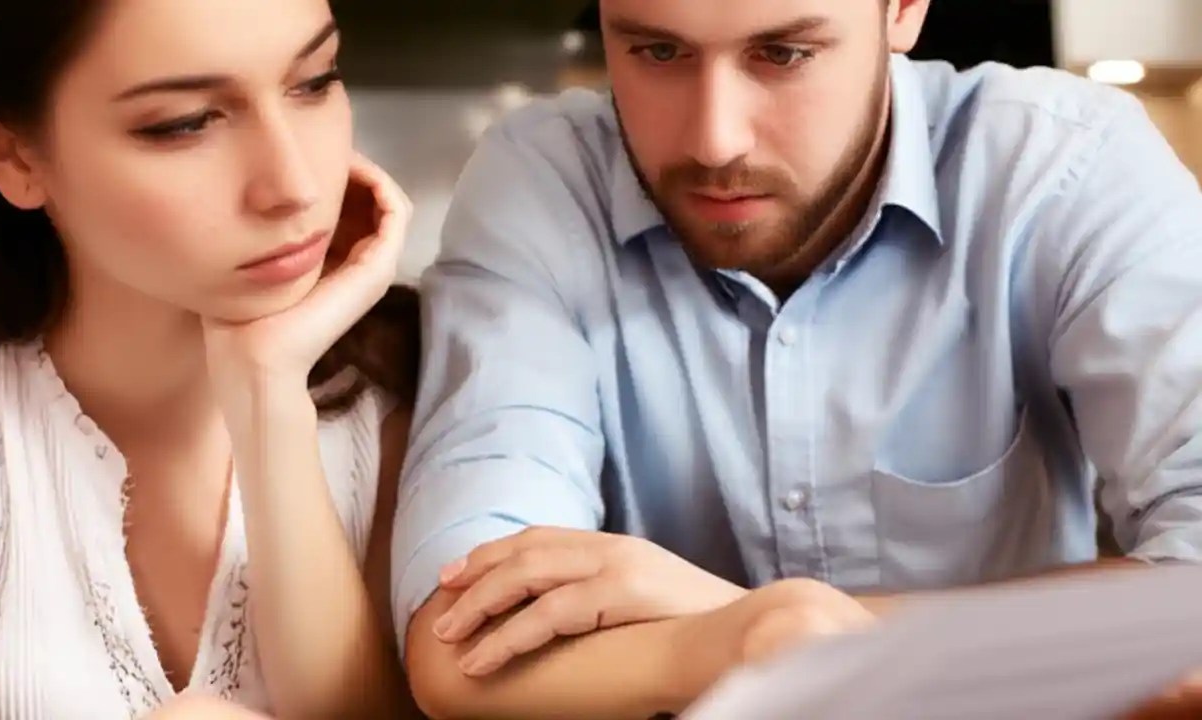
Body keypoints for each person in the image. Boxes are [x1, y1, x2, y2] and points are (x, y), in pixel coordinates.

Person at [394, 0, 1202, 717]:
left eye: (782, 54)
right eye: (657, 52)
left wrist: (770, 634)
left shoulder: (1068, 166)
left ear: (902, 11)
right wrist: (749, 637)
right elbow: (463, 642)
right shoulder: (542, 184)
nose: (715, 139)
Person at [0, 0, 420, 717]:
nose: (295, 187)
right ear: (7, 149)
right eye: (183, 123)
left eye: (314, 80)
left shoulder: (419, 392)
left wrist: (266, 389)